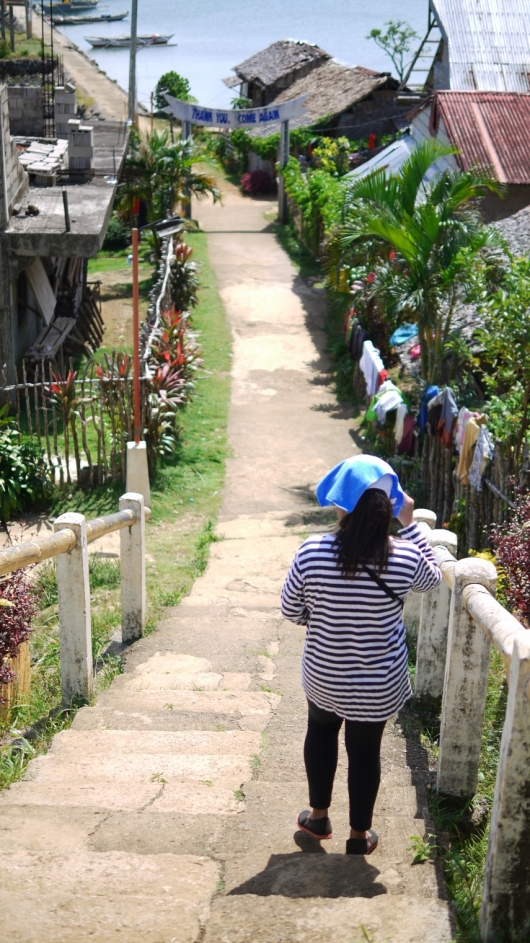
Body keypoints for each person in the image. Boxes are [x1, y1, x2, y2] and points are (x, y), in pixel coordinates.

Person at [281, 455, 441, 855]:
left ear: (341, 504)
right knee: (365, 752)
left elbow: (290, 609)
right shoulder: (405, 557)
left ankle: (318, 817)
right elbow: (433, 579)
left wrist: (321, 621)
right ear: (390, 507)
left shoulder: (312, 551)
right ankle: (358, 837)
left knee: (320, 733)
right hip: (379, 683)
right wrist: (411, 523)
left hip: (325, 674)